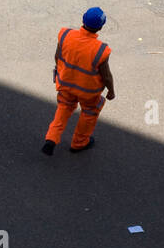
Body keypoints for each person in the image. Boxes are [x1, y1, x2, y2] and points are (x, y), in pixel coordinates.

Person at [43, 8, 115, 155]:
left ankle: (52, 137)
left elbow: (57, 56)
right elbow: (106, 75)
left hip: (65, 84)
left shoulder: (65, 35)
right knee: (89, 113)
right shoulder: (101, 50)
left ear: (83, 20)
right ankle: (79, 143)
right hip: (88, 92)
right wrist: (111, 91)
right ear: (101, 26)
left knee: (64, 108)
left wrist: (58, 73)